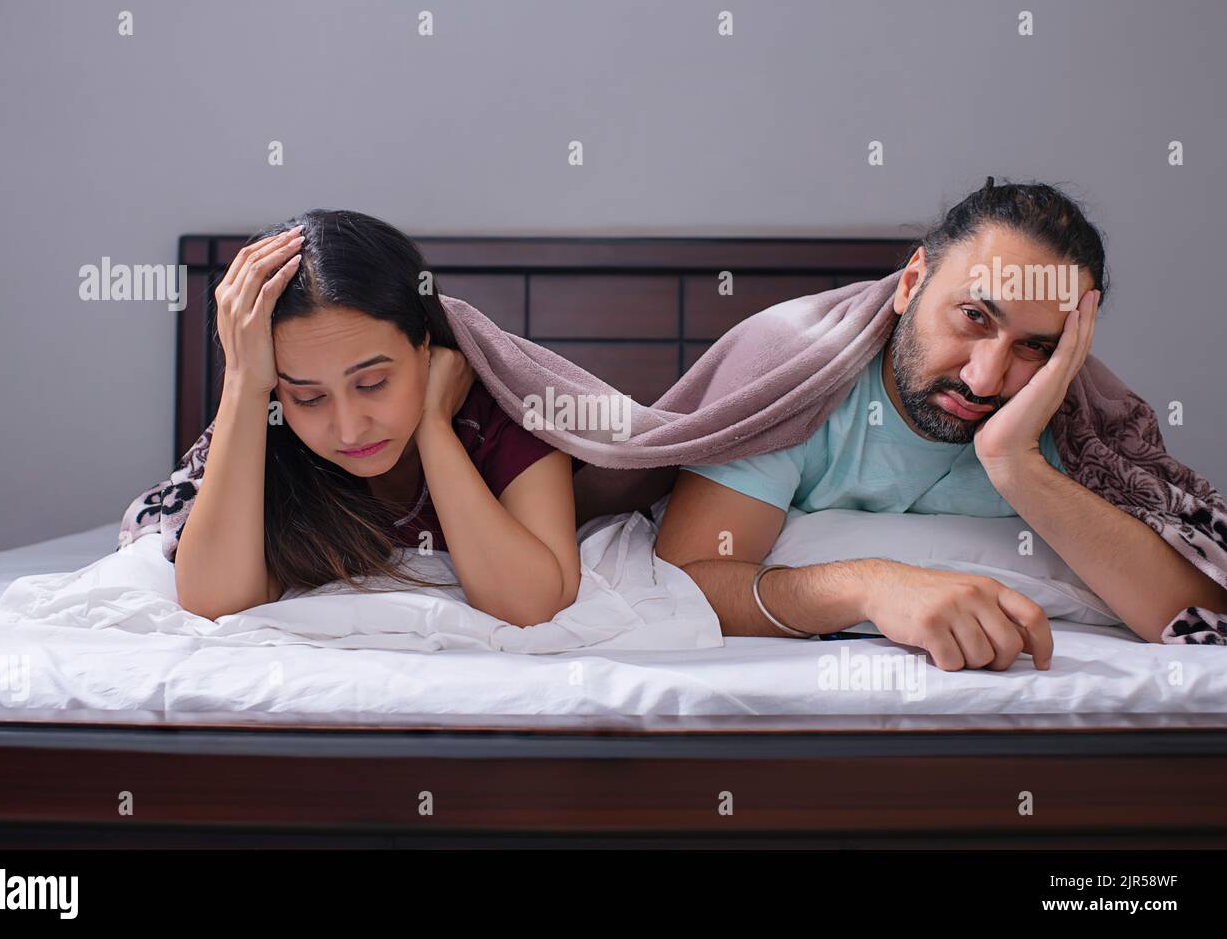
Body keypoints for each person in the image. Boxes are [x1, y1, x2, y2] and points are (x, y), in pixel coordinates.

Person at [655, 179, 1227, 670]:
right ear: (911, 283)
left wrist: (1015, 462)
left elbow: (1202, 618)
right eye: (974, 316)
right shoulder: (793, 375)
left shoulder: (1080, 421)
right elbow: (687, 579)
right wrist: (873, 586)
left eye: (1034, 347)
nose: (985, 379)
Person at [173, 209, 581, 627]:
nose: (350, 430)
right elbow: (213, 603)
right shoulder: (268, 424)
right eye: (309, 397)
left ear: (425, 342)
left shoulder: (509, 410)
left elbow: (531, 607)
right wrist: (243, 381)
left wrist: (434, 427)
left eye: (372, 383)